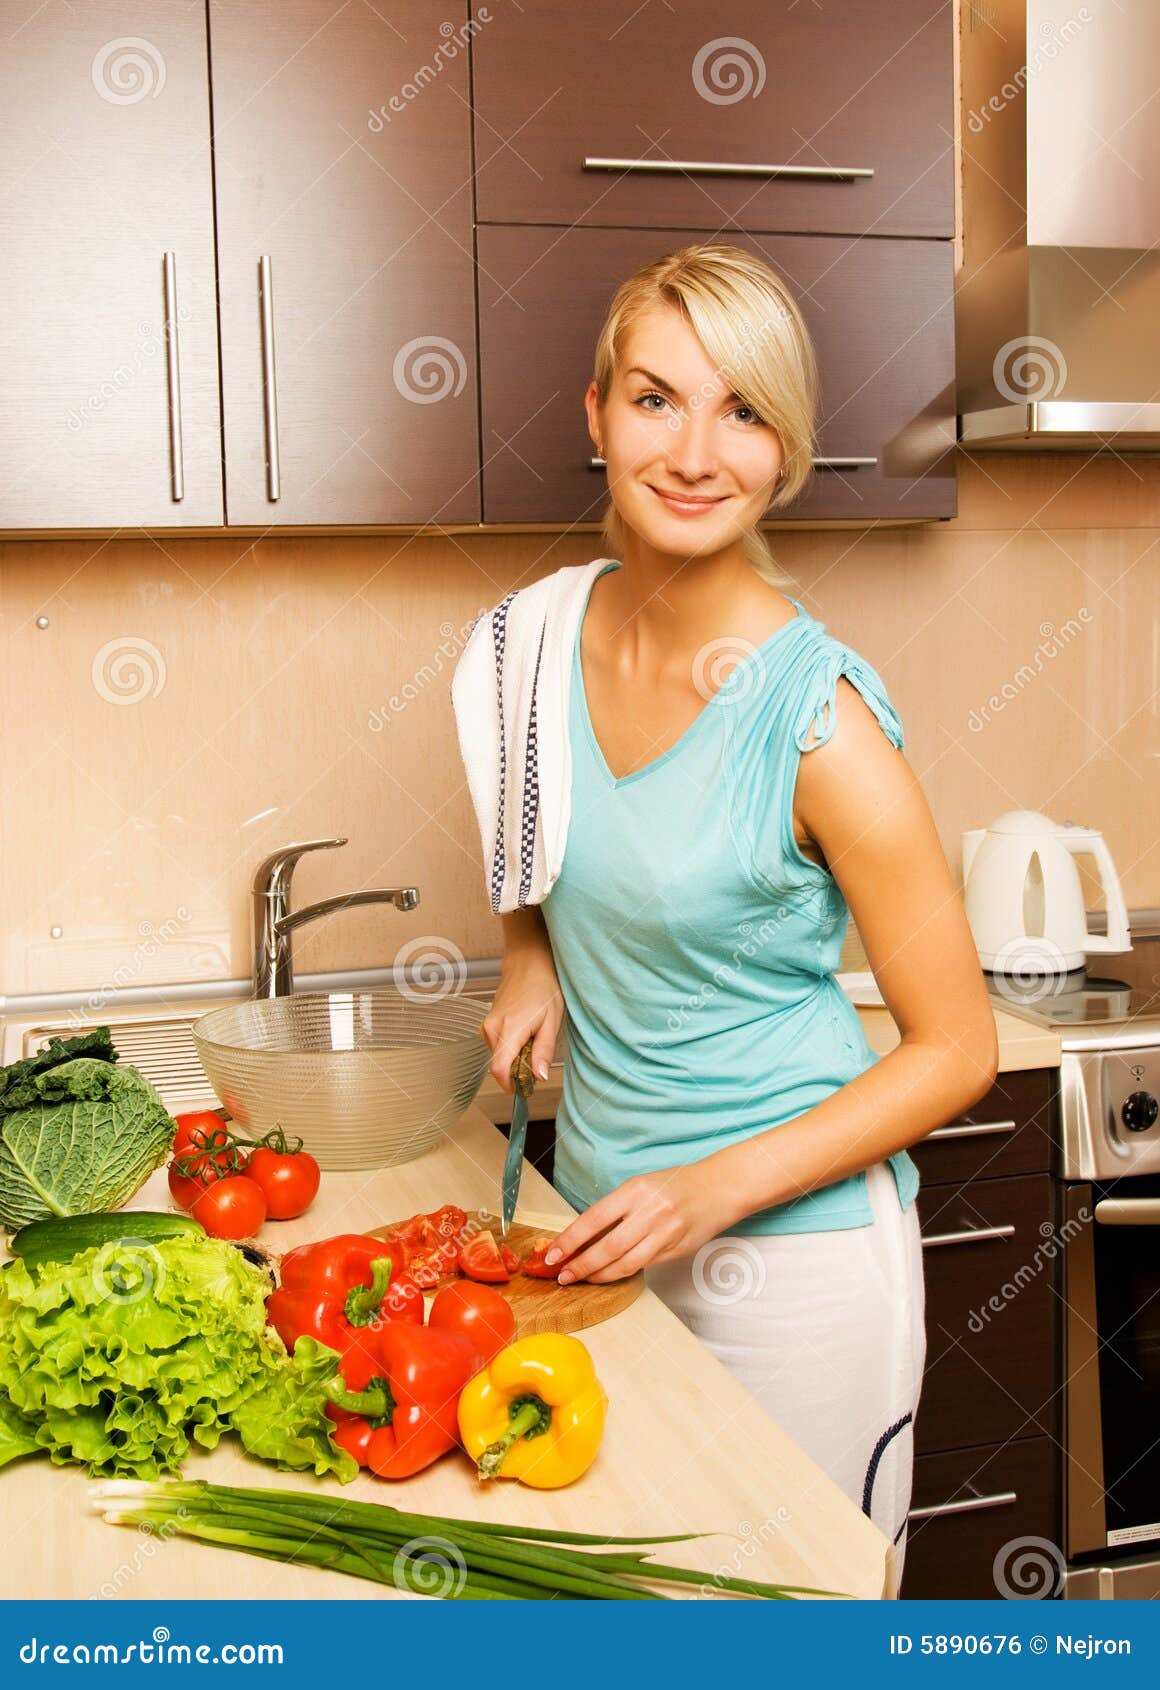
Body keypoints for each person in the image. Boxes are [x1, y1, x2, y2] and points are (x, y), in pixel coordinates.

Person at [471, 242, 998, 1573]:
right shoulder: (520, 647)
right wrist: (529, 948)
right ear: (597, 415)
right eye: (657, 398)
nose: (696, 451)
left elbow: (957, 1046)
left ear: (785, 452)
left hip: (800, 1269)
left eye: (744, 410)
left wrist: (707, 1192)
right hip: (596, 1241)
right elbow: (539, 832)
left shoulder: (817, 722)